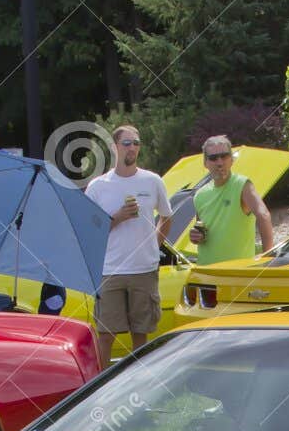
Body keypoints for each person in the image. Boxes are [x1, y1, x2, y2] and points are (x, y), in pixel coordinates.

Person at [83, 125, 170, 366]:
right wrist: (118, 216)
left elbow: (167, 216)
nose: (132, 148)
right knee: (106, 333)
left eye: (136, 143)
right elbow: (90, 231)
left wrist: (154, 245)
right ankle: (99, 387)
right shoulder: (99, 186)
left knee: (140, 332)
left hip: (144, 268)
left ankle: (139, 381)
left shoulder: (152, 181)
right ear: (114, 147)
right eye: (127, 143)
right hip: (111, 269)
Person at [189, 135, 274, 267]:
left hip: (236, 274)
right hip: (206, 272)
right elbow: (201, 230)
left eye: (224, 156)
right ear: (205, 163)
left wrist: (268, 260)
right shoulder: (199, 195)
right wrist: (196, 236)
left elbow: (264, 216)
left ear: (231, 160)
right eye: (213, 158)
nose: (220, 162)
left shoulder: (242, 185)